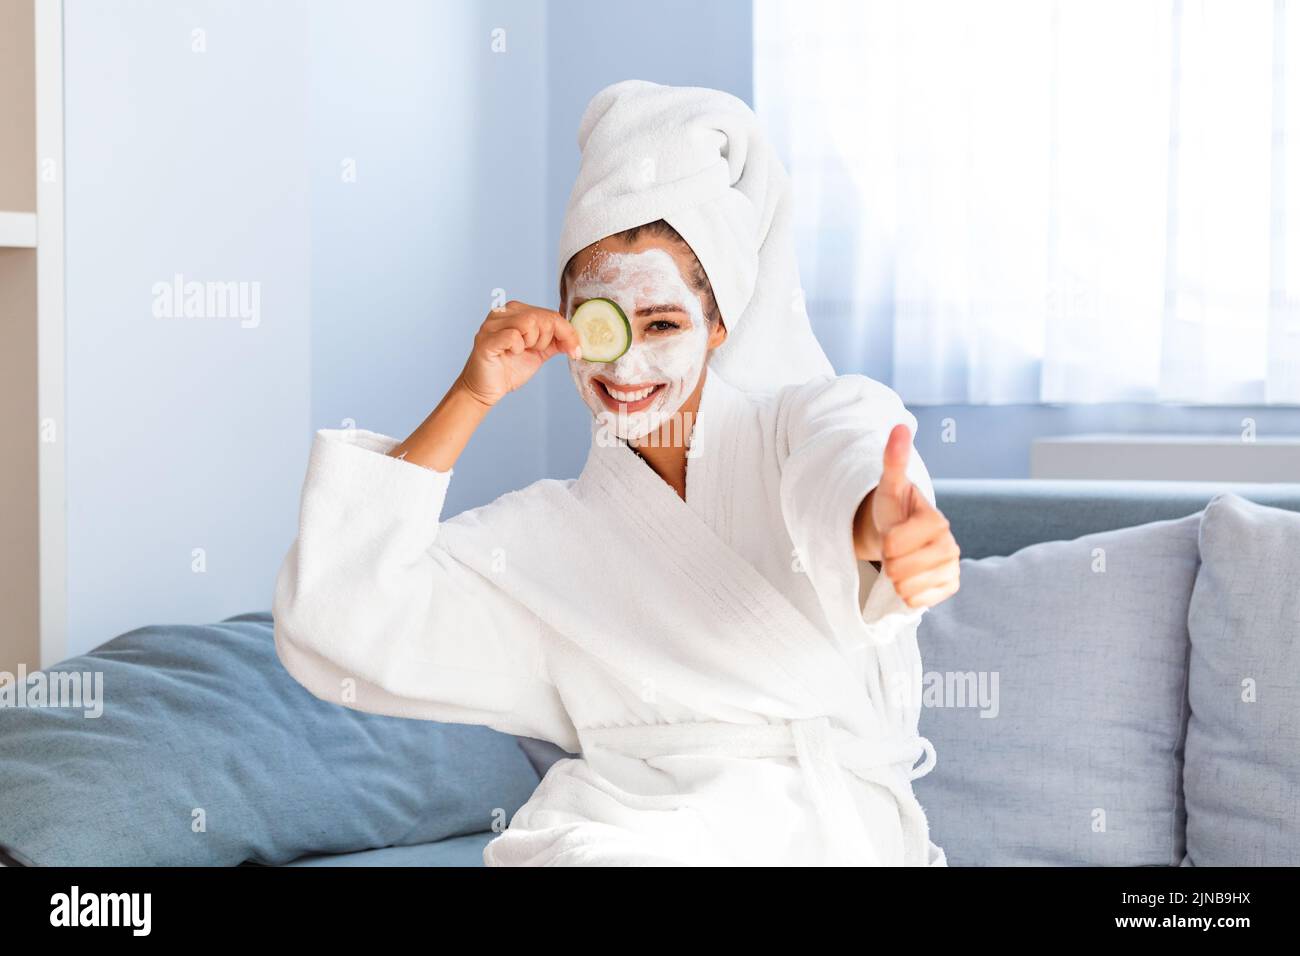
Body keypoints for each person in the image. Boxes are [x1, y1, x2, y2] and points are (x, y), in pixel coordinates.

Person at [273, 80, 960, 866]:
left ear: (718, 324)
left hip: (822, 826)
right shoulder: (544, 539)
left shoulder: (803, 422)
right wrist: (471, 395)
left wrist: (877, 527)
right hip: (627, 828)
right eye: (601, 325)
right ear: (565, 322)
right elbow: (338, 614)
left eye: (663, 323)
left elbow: (842, 466)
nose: (627, 366)